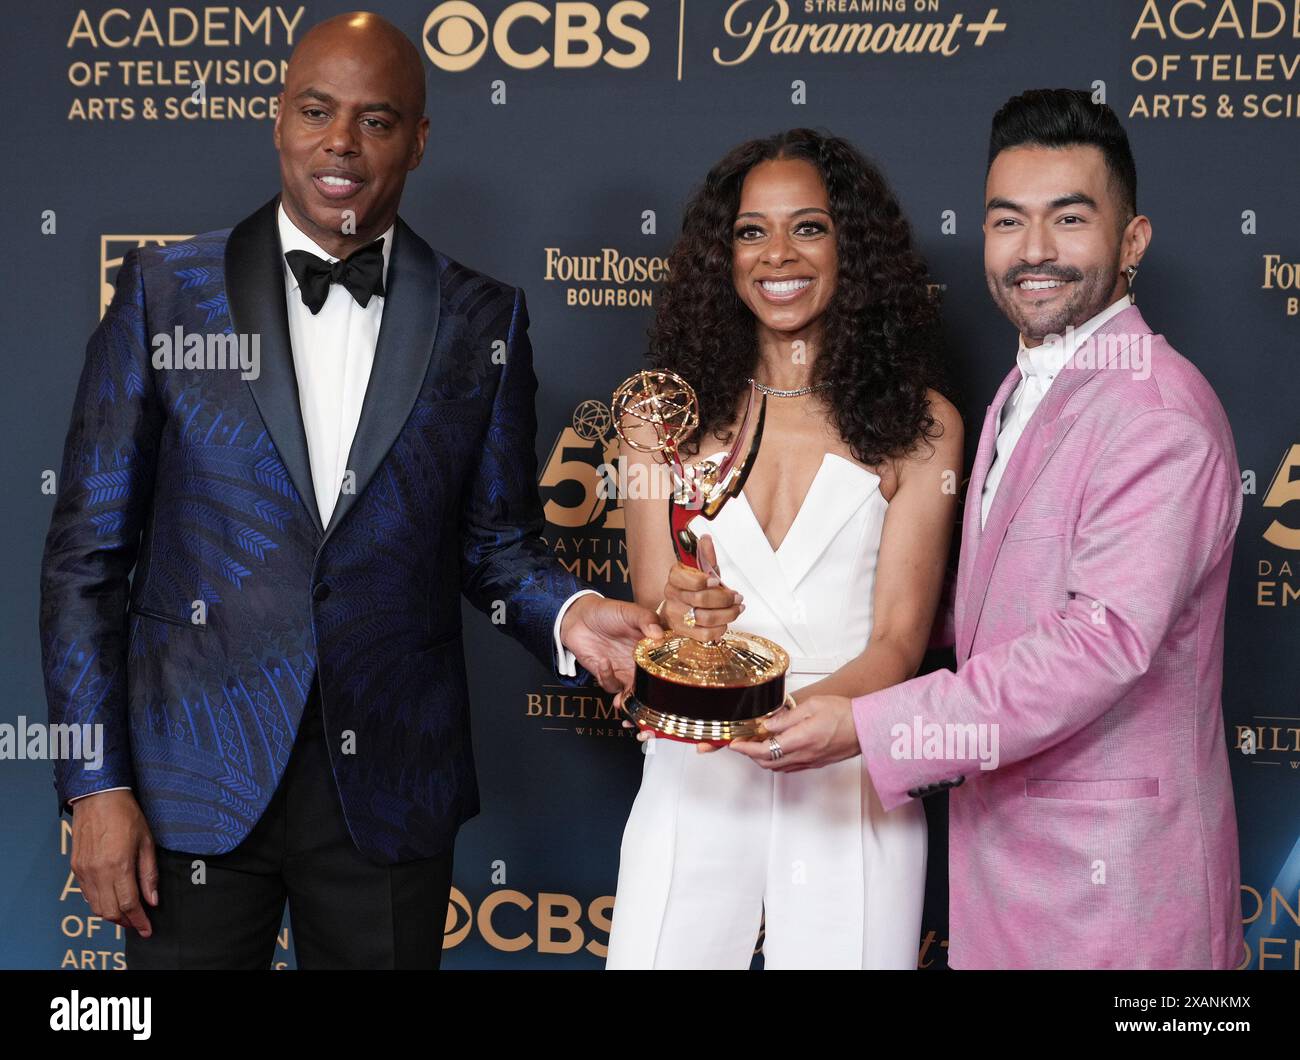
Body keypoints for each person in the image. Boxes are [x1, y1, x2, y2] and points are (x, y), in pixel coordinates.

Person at [40, 11, 660, 970]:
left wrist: (572, 616)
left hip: (390, 790)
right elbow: (87, 559)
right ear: (278, 119)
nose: (341, 142)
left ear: (418, 139)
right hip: (188, 783)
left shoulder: (484, 319)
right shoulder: (165, 292)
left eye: (376, 120)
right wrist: (94, 782)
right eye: (316, 110)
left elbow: (496, 543)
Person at [734, 90, 1245, 970]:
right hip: (1005, 873)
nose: (1033, 250)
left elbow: (1098, 644)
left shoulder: (1157, 414)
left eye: (1069, 219)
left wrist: (875, 724)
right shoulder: (1026, 385)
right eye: (1008, 220)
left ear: (1132, 241)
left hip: (1117, 895)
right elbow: (1001, 606)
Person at [605, 129, 962, 969]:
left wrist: (802, 723)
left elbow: (898, 641)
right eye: (750, 231)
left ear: (852, 249)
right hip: (696, 768)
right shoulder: (656, 420)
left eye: (809, 227)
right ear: (721, 256)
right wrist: (685, 616)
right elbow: (657, 602)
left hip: (846, 767)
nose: (778, 255)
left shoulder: (922, 425)